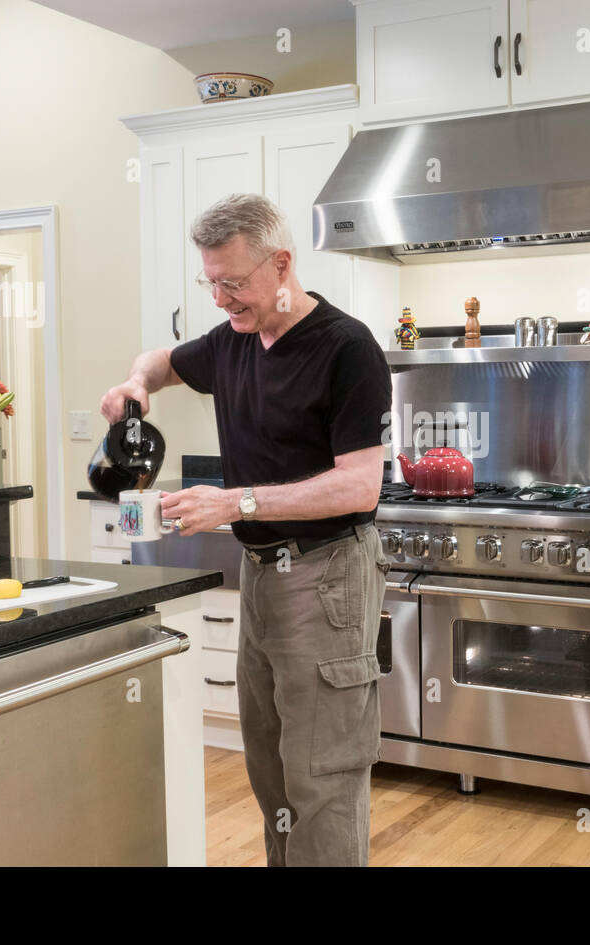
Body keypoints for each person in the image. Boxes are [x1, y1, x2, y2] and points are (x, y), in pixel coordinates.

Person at [99, 193, 392, 866]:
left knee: (322, 778)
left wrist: (237, 504)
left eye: (235, 283)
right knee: (271, 769)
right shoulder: (232, 341)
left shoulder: (346, 349)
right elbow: (163, 360)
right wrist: (136, 384)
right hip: (265, 577)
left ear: (281, 264)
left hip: (328, 579)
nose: (223, 300)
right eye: (212, 284)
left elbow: (359, 485)